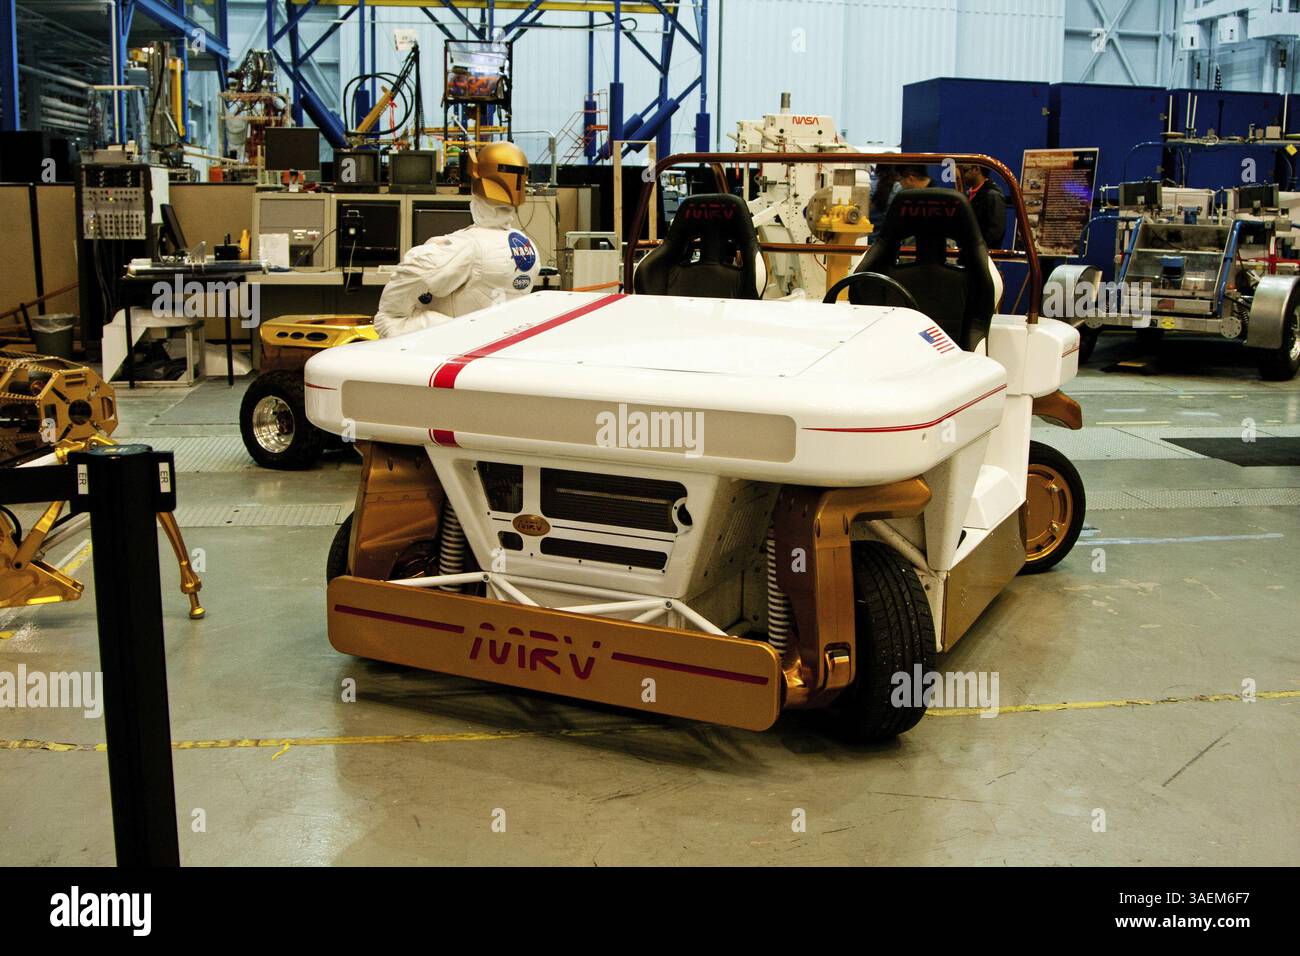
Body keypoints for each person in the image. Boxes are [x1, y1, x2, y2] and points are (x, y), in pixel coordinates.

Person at [373, 141, 540, 338]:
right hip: (499, 342)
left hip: (456, 345)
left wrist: (390, 315)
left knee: (387, 319)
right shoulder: (528, 245)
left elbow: (413, 273)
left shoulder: (467, 246)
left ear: (479, 181)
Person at [960, 164, 1007, 250]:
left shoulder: (993, 195)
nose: (962, 175)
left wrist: (974, 246)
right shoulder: (968, 194)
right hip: (971, 253)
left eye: (965, 171)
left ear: (977, 170)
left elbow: (995, 232)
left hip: (985, 256)